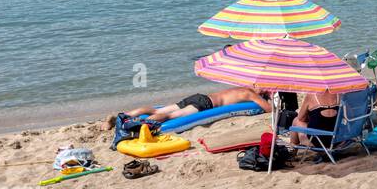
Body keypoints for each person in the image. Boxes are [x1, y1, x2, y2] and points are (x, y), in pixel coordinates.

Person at [108, 86, 271, 128]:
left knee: (158, 110)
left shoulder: (242, 88)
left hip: (199, 97)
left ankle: (121, 117)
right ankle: (137, 125)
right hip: (205, 104)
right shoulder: (252, 95)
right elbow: (269, 110)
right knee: (171, 116)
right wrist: (269, 99)